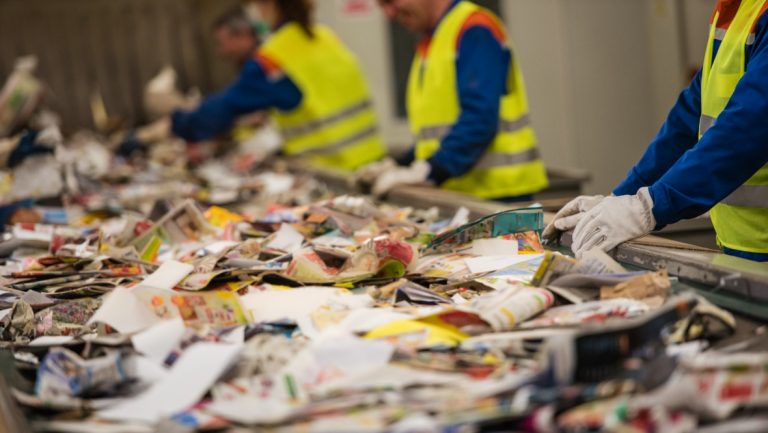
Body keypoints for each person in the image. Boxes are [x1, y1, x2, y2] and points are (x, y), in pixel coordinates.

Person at [545, 0, 768, 262]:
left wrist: (651, 205)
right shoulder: (736, 8)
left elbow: (748, 127)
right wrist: (621, 199)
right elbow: (688, 118)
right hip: (745, 250)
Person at [362, 0, 548, 201]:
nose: (388, 14)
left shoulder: (473, 28)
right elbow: (438, 133)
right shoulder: (435, 39)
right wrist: (401, 164)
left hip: (497, 197)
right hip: (464, 195)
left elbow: (479, 119)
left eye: (390, 2)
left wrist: (432, 170)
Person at [171, 0, 386, 171]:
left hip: (330, 171)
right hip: (371, 165)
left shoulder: (272, 58)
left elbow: (219, 111)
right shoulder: (325, 36)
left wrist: (176, 120)